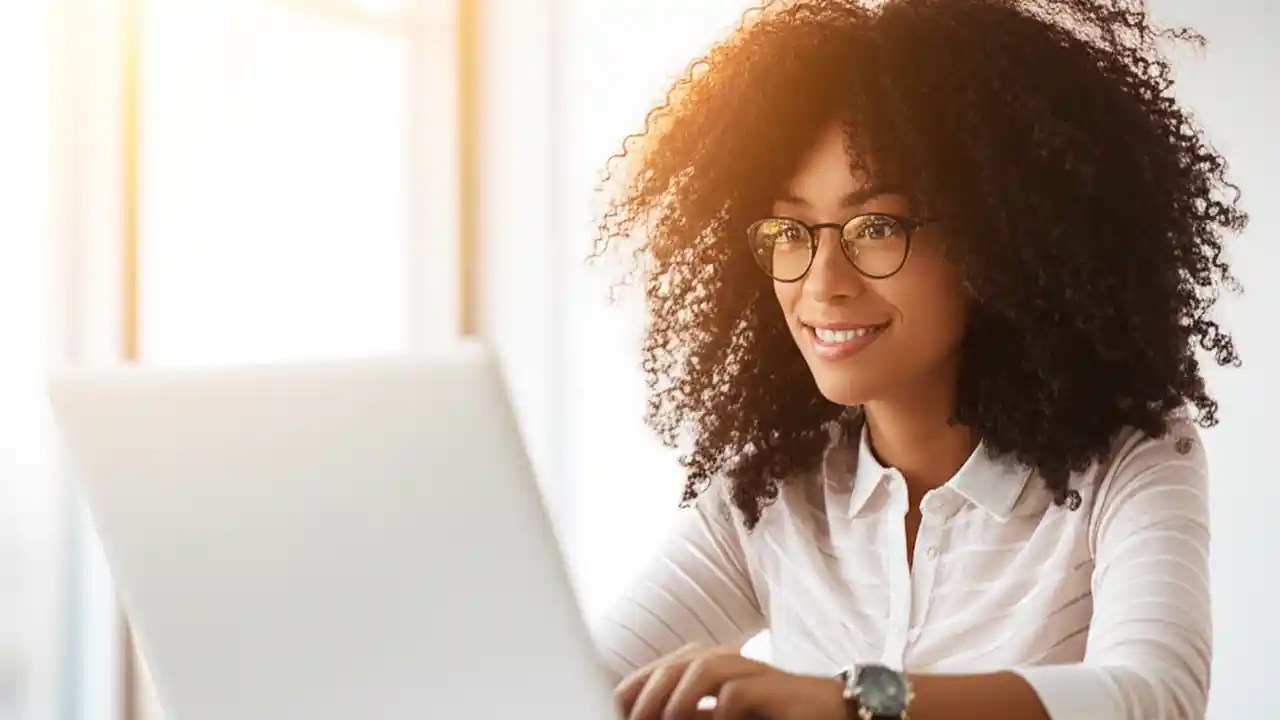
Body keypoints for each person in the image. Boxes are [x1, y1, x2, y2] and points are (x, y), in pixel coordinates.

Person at [588, 0, 1247, 718]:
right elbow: (562, 687)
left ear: (999, 239)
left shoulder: (1132, 458)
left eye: (875, 227)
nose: (820, 282)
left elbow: (1154, 697)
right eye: (790, 230)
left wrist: (852, 703)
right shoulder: (772, 493)